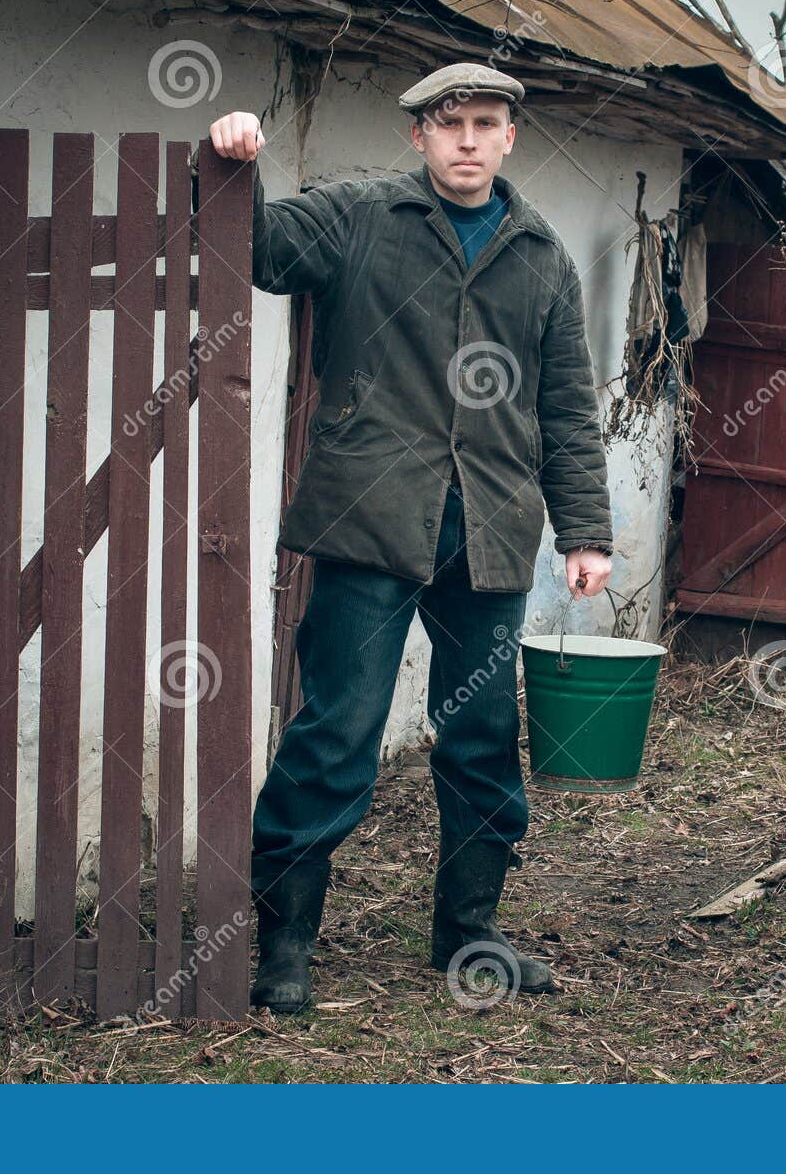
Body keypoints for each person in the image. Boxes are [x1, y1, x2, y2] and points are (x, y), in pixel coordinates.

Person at [208, 62, 615, 1014]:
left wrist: (585, 530)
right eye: (449, 125)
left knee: (480, 734)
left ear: (510, 136)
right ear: (418, 137)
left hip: (491, 527)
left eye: (485, 124)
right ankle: (286, 944)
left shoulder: (540, 255)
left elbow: (566, 406)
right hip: (370, 520)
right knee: (338, 730)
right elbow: (258, 250)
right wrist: (231, 164)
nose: (467, 140)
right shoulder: (358, 216)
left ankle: (468, 933)